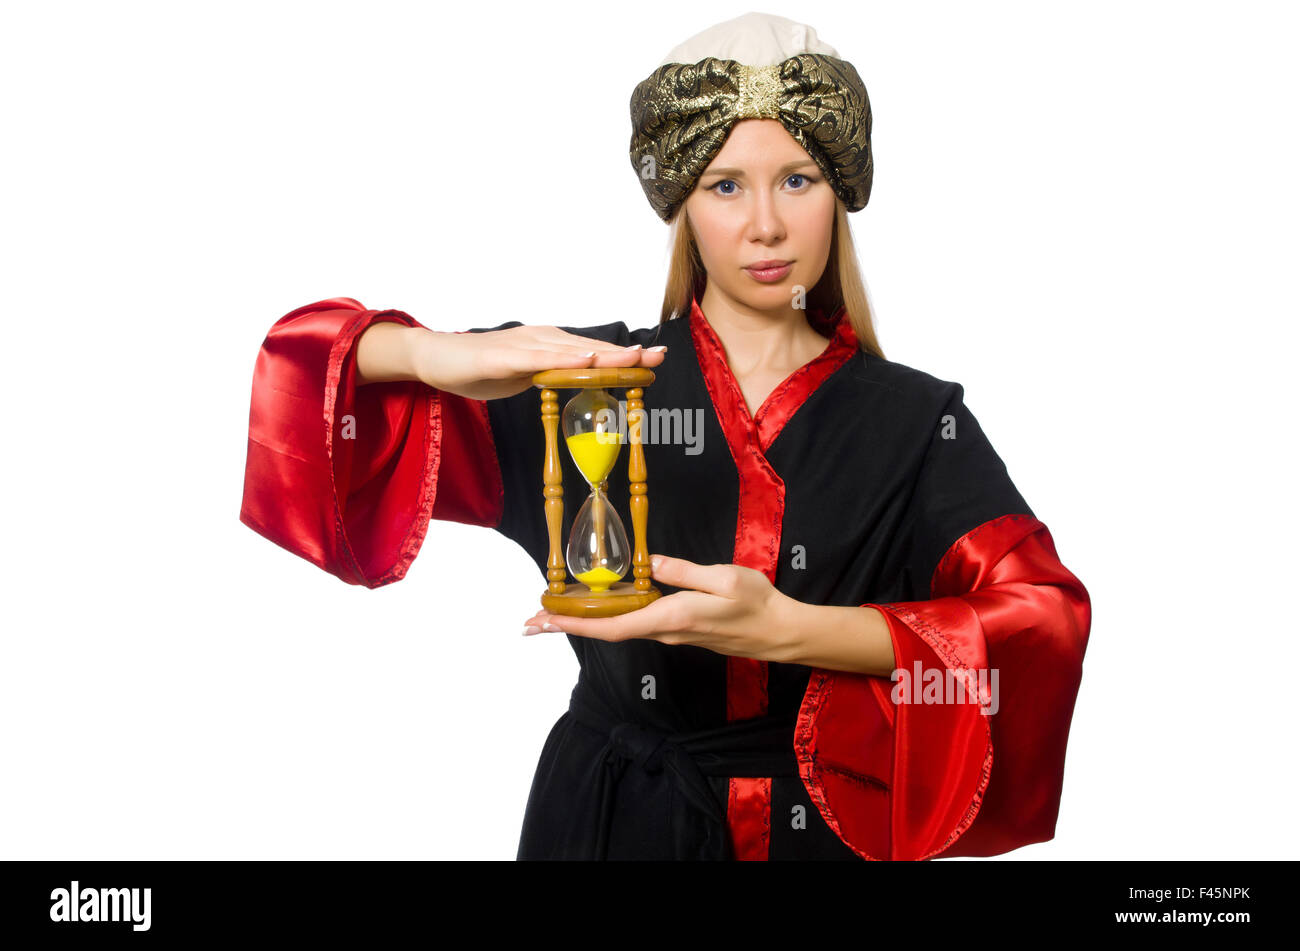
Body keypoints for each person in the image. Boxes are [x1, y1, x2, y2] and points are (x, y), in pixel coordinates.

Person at [239, 12, 1091, 861]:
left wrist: (794, 629)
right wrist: (443, 353)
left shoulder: (917, 421)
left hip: (816, 831)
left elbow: (1041, 620)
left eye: (797, 179)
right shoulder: (587, 381)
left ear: (842, 188)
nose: (765, 224)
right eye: (725, 185)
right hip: (607, 818)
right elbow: (308, 366)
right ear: (681, 203)